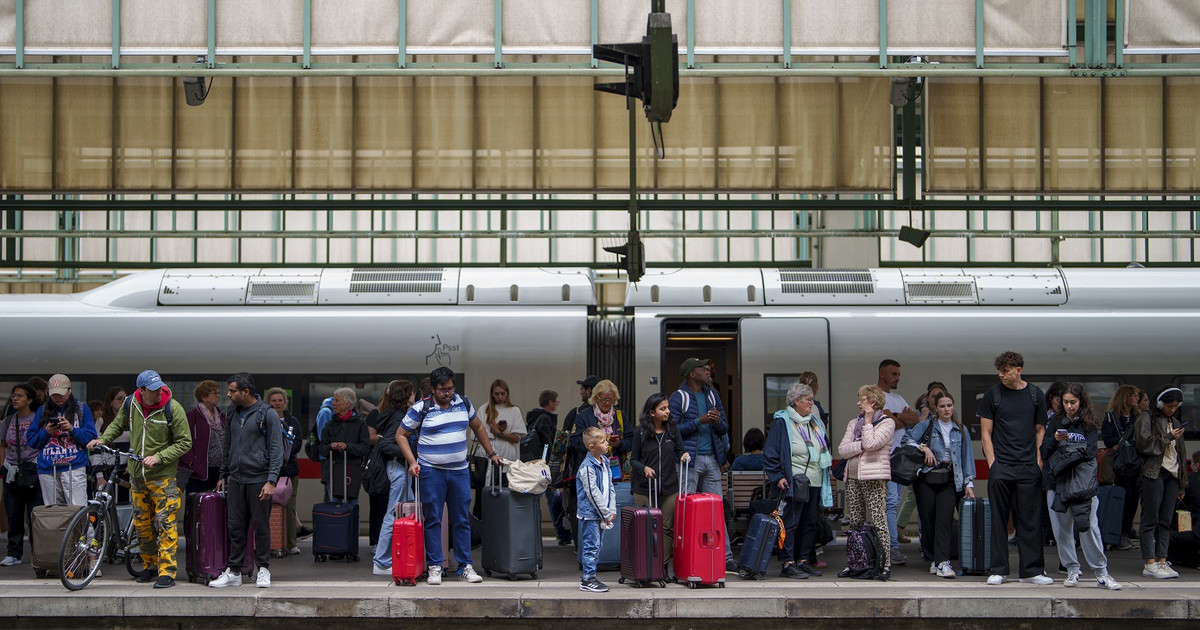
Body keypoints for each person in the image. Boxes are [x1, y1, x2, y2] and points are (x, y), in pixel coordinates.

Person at [396, 366, 501, 585]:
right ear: (433, 389)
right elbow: (401, 435)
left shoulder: (464, 403)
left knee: (461, 518)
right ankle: (435, 565)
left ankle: (465, 566)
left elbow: (478, 426)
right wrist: (413, 462)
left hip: (459, 471)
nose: (448, 393)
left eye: (451, 388)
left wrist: (491, 453)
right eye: (443, 389)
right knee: (433, 518)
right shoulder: (421, 408)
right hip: (431, 471)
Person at [87, 370, 191, 588]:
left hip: (163, 478)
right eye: (152, 390)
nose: (158, 393)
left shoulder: (173, 408)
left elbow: (184, 443)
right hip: (138, 476)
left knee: (165, 523)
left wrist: (159, 457)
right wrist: (102, 439)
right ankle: (149, 566)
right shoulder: (130, 404)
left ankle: (167, 572)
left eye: (159, 388)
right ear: (141, 390)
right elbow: (117, 425)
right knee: (142, 525)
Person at [978, 351, 1052, 586]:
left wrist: (1038, 461)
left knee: (1030, 520)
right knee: (998, 520)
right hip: (1002, 467)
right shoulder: (993, 395)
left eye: (1006, 371)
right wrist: (992, 464)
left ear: (1018, 370)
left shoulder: (1035, 395)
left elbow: (1040, 429)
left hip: (1028, 466)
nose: (1002, 375)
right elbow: (985, 433)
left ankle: (1032, 571)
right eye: (999, 371)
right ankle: (999, 569)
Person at [1040, 383, 1121, 590]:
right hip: (1057, 483)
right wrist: (1058, 442)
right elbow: (1045, 451)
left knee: (1090, 527)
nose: (1068, 406)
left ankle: (1101, 572)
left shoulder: (1090, 424)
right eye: (1065, 402)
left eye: (1073, 402)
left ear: (1081, 402)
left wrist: (1064, 450)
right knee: (1061, 530)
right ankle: (1072, 569)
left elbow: (1090, 452)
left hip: (1083, 484)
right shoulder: (1055, 422)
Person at [208, 372, 284, 589]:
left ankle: (263, 569)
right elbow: (228, 446)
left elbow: (277, 450)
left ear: (246, 392)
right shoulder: (232, 413)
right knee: (235, 527)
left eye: (232, 391)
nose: (228, 394)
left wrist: (271, 481)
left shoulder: (267, 415)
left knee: (261, 526)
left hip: (260, 479)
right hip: (236, 479)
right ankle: (234, 571)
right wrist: (224, 475)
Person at [669, 358, 735, 570]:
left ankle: (725, 558)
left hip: (712, 460)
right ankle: (685, 555)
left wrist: (716, 421)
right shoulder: (679, 398)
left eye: (707, 368)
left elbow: (725, 427)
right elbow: (673, 430)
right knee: (686, 510)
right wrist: (700, 421)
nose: (707, 372)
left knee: (717, 511)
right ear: (691, 374)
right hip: (689, 461)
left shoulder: (712, 395)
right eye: (702, 369)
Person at [904, 391, 975, 579]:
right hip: (926, 478)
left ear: (953, 407)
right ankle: (935, 558)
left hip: (950, 478)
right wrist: (923, 447)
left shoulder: (961, 429)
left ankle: (943, 561)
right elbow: (906, 440)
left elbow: (967, 457)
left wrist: (969, 483)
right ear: (936, 408)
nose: (946, 409)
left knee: (944, 519)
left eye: (949, 405)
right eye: (942, 406)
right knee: (928, 520)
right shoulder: (927, 425)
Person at [764, 383, 832, 579]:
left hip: (815, 480)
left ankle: (803, 560)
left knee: (810, 522)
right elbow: (770, 454)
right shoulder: (782, 422)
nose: (812, 403)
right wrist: (778, 477)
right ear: (796, 401)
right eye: (808, 400)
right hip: (794, 481)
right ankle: (788, 563)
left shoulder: (813, 422)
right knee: (791, 522)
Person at [836, 384, 895, 580]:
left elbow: (873, 444)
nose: (858, 403)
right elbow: (842, 450)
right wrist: (861, 445)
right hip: (852, 478)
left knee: (878, 520)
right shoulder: (854, 423)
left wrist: (868, 421)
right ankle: (856, 562)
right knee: (855, 522)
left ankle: (884, 564)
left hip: (874, 478)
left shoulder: (887, 423)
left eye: (862, 399)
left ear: (873, 402)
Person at [629, 392, 689, 572]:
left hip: (669, 487)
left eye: (668, 408)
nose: (667, 411)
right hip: (644, 488)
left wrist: (684, 455)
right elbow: (633, 460)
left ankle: (661, 567)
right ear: (652, 412)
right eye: (663, 408)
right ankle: (645, 566)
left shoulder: (672, 429)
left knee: (666, 528)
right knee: (645, 527)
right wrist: (644, 468)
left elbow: (680, 450)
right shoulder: (640, 432)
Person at [1135, 385, 1188, 579]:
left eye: (1175, 406)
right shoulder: (1146, 418)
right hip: (1153, 473)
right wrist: (1167, 437)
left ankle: (1162, 560)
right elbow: (1144, 444)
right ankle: (1149, 562)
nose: (1172, 409)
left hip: (1172, 475)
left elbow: (1181, 455)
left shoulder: (1174, 421)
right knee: (1150, 519)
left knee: (1165, 520)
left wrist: (1182, 483)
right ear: (1160, 404)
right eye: (1169, 405)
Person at [25, 374, 97, 507]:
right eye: (54, 394)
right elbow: (31, 441)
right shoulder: (42, 411)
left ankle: (84, 529)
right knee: (54, 514)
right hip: (47, 469)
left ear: (70, 390)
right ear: (48, 393)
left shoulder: (81, 409)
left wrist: (71, 429)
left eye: (61, 393)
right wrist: (46, 432)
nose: (58, 398)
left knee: (78, 510)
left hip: (74, 466)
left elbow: (91, 439)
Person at [371, 380, 417, 576]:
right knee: (394, 514)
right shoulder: (399, 417)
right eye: (412, 394)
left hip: (398, 468)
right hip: (398, 469)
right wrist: (409, 453)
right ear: (406, 396)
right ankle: (381, 561)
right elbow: (386, 444)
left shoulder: (393, 415)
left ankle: (400, 556)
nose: (415, 398)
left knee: (407, 510)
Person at [876, 359, 918, 565]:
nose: (897, 378)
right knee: (890, 503)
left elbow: (914, 419)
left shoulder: (898, 398)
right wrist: (895, 418)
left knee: (893, 502)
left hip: (899, 459)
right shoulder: (874, 396)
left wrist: (893, 417)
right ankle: (892, 547)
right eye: (894, 374)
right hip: (884, 458)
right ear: (882, 374)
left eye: (898, 374)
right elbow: (886, 420)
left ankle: (891, 545)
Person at [898, 381, 948, 547]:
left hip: (945, 473)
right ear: (927, 399)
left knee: (939, 512)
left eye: (942, 396)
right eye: (934, 396)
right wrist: (924, 448)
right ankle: (921, 540)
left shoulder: (951, 420)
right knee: (920, 505)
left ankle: (938, 547)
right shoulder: (924, 416)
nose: (939, 401)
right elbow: (908, 438)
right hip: (922, 469)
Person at [1, 384, 43, 567]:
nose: (14, 399)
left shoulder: (37, 419)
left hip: (32, 470)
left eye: (19, 396)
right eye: (13, 395)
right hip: (11, 470)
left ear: (30, 400)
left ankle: (38, 552)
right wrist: (2, 465)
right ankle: (13, 553)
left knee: (34, 513)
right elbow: (3, 443)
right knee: (13, 512)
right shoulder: (8, 420)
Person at [526, 390, 572, 546]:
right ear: (551, 403)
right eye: (556, 402)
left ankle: (534, 534)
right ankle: (562, 534)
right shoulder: (545, 419)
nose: (556, 405)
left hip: (535, 465)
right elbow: (549, 443)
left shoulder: (534, 418)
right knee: (551, 499)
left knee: (542, 500)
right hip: (544, 466)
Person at [1101, 384, 1142, 550]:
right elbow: (1108, 439)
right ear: (1126, 397)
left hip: (1135, 462)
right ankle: (1118, 533)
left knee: (1133, 499)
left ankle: (1126, 530)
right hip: (1120, 464)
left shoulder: (1138, 417)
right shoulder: (1111, 417)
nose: (1136, 399)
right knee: (1122, 498)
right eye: (1134, 396)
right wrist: (1119, 444)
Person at [576, 426, 617, 593]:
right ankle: (588, 578)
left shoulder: (605, 462)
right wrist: (606, 513)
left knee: (597, 545)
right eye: (603, 442)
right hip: (591, 515)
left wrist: (611, 507)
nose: (607, 444)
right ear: (591, 447)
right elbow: (592, 494)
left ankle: (590, 577)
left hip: (601, 513)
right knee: (591, 546)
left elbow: (610, 486)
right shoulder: (587, 467)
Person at [265, 387, 304, 555]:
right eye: (273, 401)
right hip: (268, 471)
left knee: (289, 507)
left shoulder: (292, 421)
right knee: (267, 507)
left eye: (280, 400)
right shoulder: (264, 420)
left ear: (285, 402)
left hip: (289, 470)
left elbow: (297, 443)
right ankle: (270, 542)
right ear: (268, 403)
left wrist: (283, 454)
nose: (277, 403)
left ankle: (291, 543)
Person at [319, 388, 371, 505]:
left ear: (347, 404)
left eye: (337, 400)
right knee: (334, 506)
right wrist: (331, 446)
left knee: (353, 505)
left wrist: (347, 446)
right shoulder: (330, 424)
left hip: (352, 472)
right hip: (332, 472)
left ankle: (352, 524)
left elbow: (365, 448)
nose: (333, 403)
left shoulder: (360, 424)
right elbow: (322, 449)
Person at [179, 380, 226, 494]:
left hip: (220, 471)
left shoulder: (222, 416)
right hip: (199, 472)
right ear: (204, 397)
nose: (218, 396)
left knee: (217, 505)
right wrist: (192, 462)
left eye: (218, 393)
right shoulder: (192, 417)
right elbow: (182, 441)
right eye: (214, 393)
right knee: (198, 505)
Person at [89, 386, 129, 495]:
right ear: (110, 402)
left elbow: (137, 446)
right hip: (107, 471)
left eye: (125, 399)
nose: (122, 402)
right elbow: (95, 450)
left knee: (126, 505)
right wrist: (99, 476)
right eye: (119, 398)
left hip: (126, 471)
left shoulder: (131, 421)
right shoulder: (101, 421)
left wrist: (131, 465)